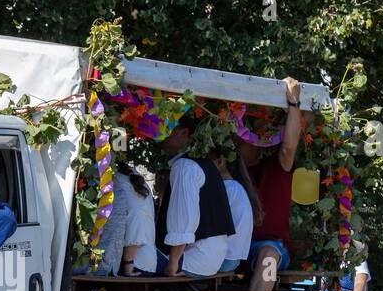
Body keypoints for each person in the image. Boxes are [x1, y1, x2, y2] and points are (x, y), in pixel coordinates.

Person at [242, 76, 305, 291]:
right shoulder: (226, 169)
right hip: (232, 249)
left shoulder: (277, 167)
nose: (241, 140)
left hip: (271, 248)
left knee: (268, 256)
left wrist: (294, 103)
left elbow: (289, 147)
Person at [159, 117, 234, 278]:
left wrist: (173, 264)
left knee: (134, 260)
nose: (159, 135)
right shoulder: (204, 163)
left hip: (191, 259)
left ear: (184, 132)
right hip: (210, 259)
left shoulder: (185, 166)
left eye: (166, 128)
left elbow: (184, 219)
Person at [94, 162, 157, 276]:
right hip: (147, 259)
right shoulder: (136, 179)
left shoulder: (118, 185)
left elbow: (136, 223)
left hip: (134, 262)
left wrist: (128, 263)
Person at [215, 148, 261, 273]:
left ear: (220, 162)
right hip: (232, 259)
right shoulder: (236, 188)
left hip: (223, 259)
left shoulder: (226, 189)